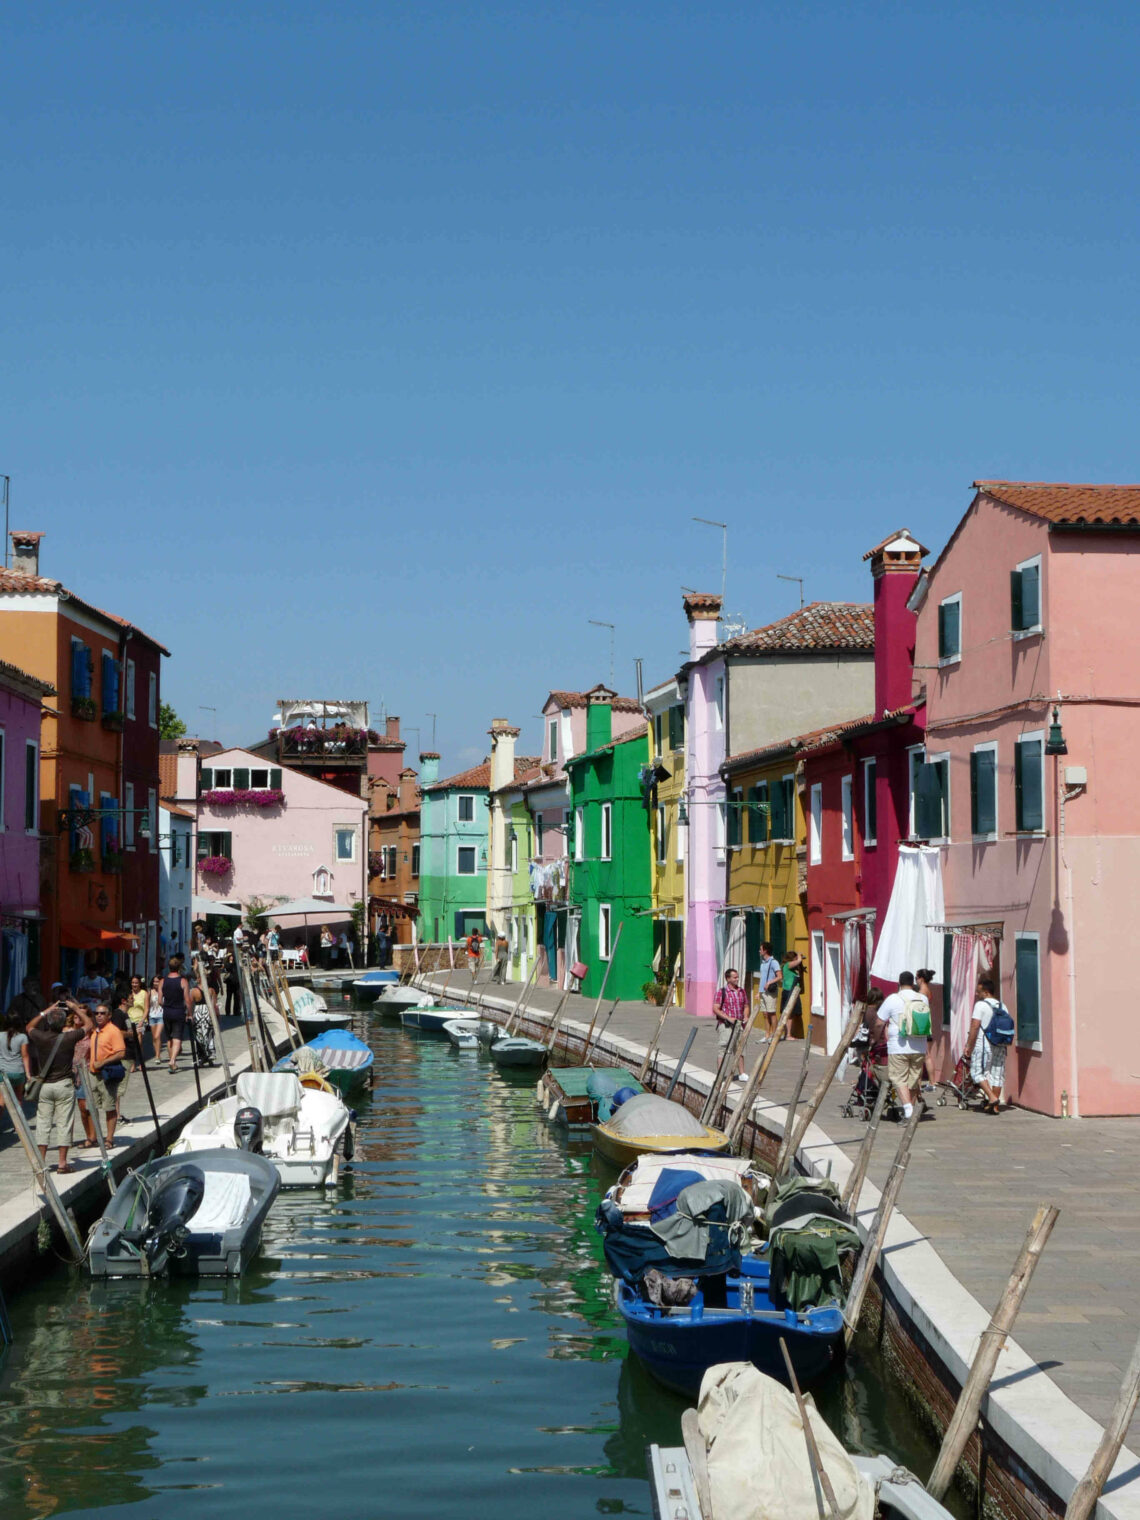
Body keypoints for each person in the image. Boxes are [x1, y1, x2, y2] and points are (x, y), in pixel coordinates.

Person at [26, 1000, 91, 1174]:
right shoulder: (69, 1037)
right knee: (64, 1123)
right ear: (63, 1023)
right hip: (64, 1085)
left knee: (43, 1123)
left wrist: (46, 1010)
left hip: (45, 1086)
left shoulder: (40, 1037)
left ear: (48, 1022)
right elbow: (89, 1024)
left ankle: (41, 1162)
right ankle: (62, 1163)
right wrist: (76, 1008)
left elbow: (29, 1026)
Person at [879, 971, 931, 1120]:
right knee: (913, 1080)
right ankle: (910, 1112)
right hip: (919, 1046)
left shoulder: (893, 999)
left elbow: (879, 1021)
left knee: (899, 1078)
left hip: (899, 1046)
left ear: (899, 983)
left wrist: (877, 1037)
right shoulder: (923, 999)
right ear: (913, 982)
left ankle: (908, 1110)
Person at [964, 974, 1011, 1114]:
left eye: (978, 991)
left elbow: (975, 1026)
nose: (977, 994)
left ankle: (991, 1098)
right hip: (1001, 1045)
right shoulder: (1003, 1006)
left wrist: (968, 1046)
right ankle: (994, 1107)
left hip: (984, 1044)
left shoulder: (980, 1005)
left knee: (977, 1072)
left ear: (986, 992)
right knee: (997, 1074)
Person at [87, 1002, 127, 1147]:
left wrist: (102, 1062)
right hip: (93, 1073)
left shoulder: (113, 1031)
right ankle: (95, 1136)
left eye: (102, 1013)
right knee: (92, 1106)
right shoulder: (95, 1031)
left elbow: (121, 1053)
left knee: (109, 1107)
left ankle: (109, 1139)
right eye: (96, 1013)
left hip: (107, 1073)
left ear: (109, 1015)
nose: (99, 1016)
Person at [712, 967, 749, 1082]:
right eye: (735, 977)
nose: (737, 979)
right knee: (724, 1048)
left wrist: (746, 1016)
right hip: (726, 1024)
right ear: (728, 979)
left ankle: (742, 1073)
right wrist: (728, 1018)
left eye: (737, 977)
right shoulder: (722, 992)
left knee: (740, 1048)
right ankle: (720, 1074)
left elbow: (746, 1006)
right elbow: (715, 1008)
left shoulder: (742, 991)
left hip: (739, 1025)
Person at [161, 954, 193, 1074]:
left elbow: (160, 1000)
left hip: (167, 1011)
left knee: (169, 1038)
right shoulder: (183, 981)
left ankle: (171, 1062)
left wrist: (166, 1006)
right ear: (179, 968)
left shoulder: (163, 981)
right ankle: (173, 1060)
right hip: (179, 1011)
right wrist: (189, 1013)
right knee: (177, 1037)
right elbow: (188, 1000)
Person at [0, 1011, 32, 1120]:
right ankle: (18, 1123)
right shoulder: (23, 1037)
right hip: (18, 1072)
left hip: (2, 1072)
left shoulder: (0, 1035)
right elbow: (25, 1056)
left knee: (1, 1099)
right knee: (18, 1098)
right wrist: (28, 1074)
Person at [756, 941, 781, 1041]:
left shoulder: (773, 962)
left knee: (772, 1013)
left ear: (765, 950)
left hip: (770, 992)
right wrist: (759, 992)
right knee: (765, 1014)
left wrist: (770, 982)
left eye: (760, 949)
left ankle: (774, 1035)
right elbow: (762, 978)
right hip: (763, 992)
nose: (759, 951)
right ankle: (767, 1034)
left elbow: (779, 976)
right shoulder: (763, 963)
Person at [124, 974, 148, 1072]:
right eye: (133, 983)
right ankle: (133, 1064)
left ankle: (140, 1063)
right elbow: (125, 1008)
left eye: (136, 983)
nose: (134, 985)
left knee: (138, 1042)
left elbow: (146, 1009)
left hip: (140, 1020)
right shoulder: (128, 994)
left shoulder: (144, 993)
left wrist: (142, 1021)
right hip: (129, 1020)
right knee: (131, 1043)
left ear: (140, 983)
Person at [779, 951, 804, 1039]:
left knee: (792, 1014)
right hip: (789, 991)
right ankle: (787, 1034)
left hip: (794, 991)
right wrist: (799, 955)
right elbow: (798, 961)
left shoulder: (793, 968)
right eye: (795, 958)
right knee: (789, 1013)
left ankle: (788, 1034)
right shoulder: (787, 965)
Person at [146, 974, 165, 1065]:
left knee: (157, 1036)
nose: (156, 983)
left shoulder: (164, 991)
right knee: (154, 1037)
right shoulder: (150, 992)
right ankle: (157, 1054)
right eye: (154, 981)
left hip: (161, 1015)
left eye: (158, 981)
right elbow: (147, 1005)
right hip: (152, 1016)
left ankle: (157, 1055)